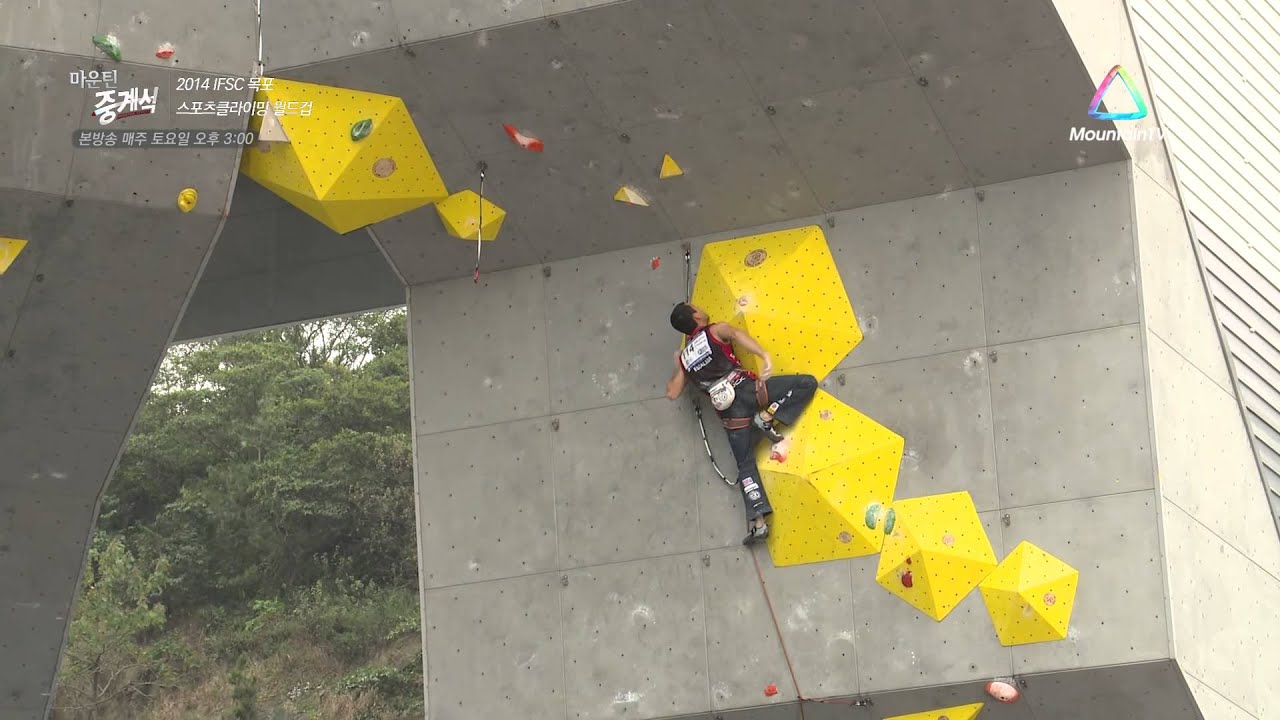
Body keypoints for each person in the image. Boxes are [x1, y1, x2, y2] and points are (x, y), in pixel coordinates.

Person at [665, 302, 818, 545]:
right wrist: (764, 355)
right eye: (697, 307)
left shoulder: (685, 358)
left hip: (730, 415)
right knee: (806, 384)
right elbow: (736, 334)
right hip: (748, 390)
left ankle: (759, 523)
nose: (702, 308)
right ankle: (766, 417)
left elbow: (672, 392)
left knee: (745, 465)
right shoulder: (714, 331)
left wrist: (678, 365)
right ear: (696, 315)